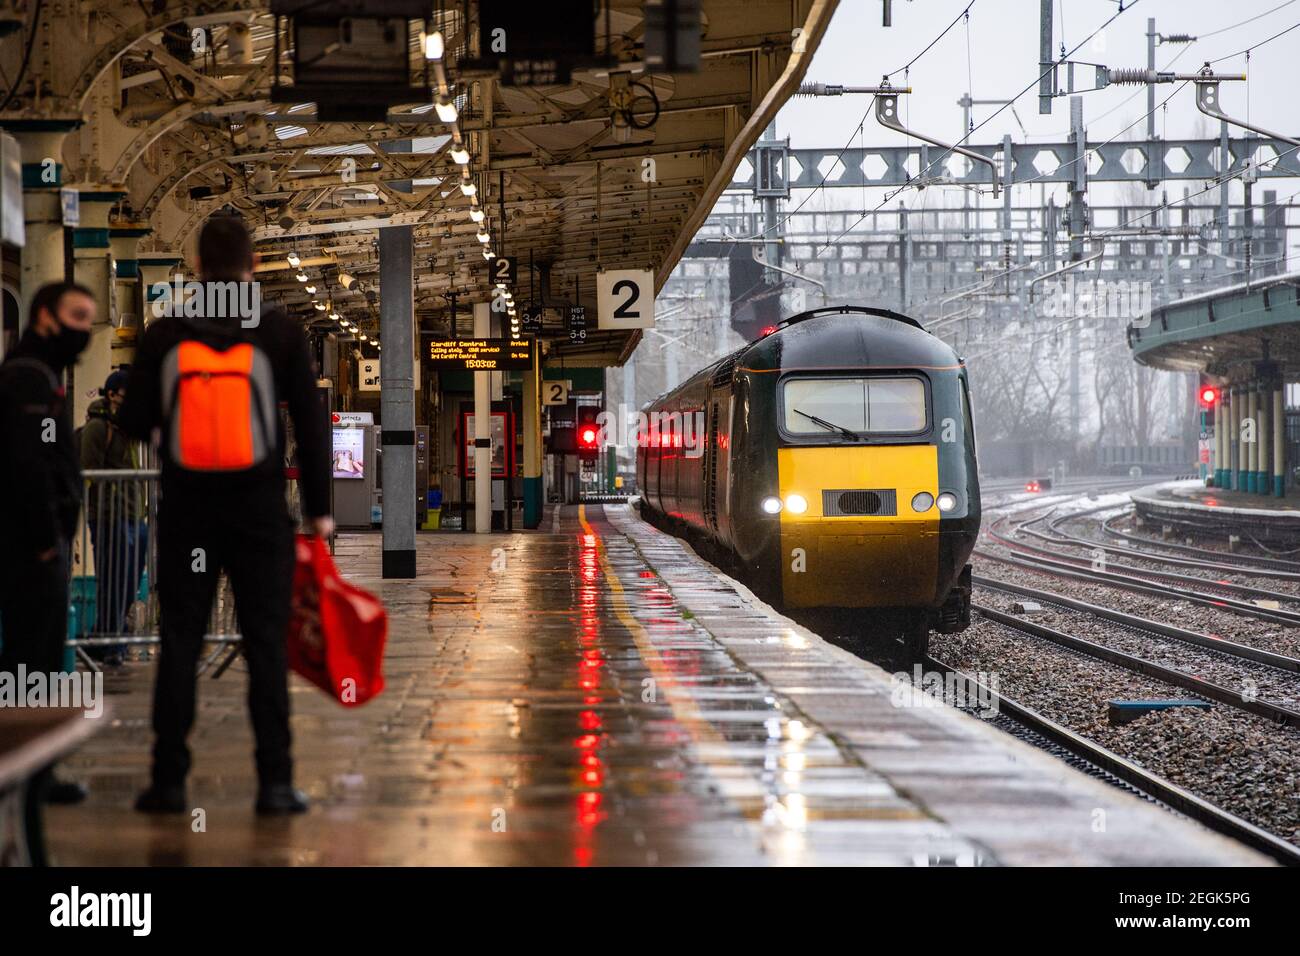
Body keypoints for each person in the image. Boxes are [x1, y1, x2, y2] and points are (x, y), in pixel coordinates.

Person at [120, 216, 332, 816]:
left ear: (197, 266)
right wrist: (319, 512)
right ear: (254, 265)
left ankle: (167, 781)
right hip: (258, 513)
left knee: (181, 640)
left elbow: (135, 420)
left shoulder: (166, 334)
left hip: (187, 509)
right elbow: (312, 430)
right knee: (266, 643)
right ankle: (275, 782)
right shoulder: (278, 331)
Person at [0, 281, 98, 821]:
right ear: (44, 317)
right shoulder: (29, 380)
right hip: (30, 549)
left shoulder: (36, 375)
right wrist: (43, 541)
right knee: (30, 659)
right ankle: (31, 772)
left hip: (34, 544)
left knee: (34, 657)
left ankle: (35, 768)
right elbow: (29, 466)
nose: (85, 329)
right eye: (76, 316)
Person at [80, 370, 147, 664]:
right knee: (113, 578)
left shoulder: (128, 427)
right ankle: (110, 641)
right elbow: (89, 471)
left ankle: (109, 634)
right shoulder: (98, 428)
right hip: (109, 516)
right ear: (112, 395)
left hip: (134, 516)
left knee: (129, 578)